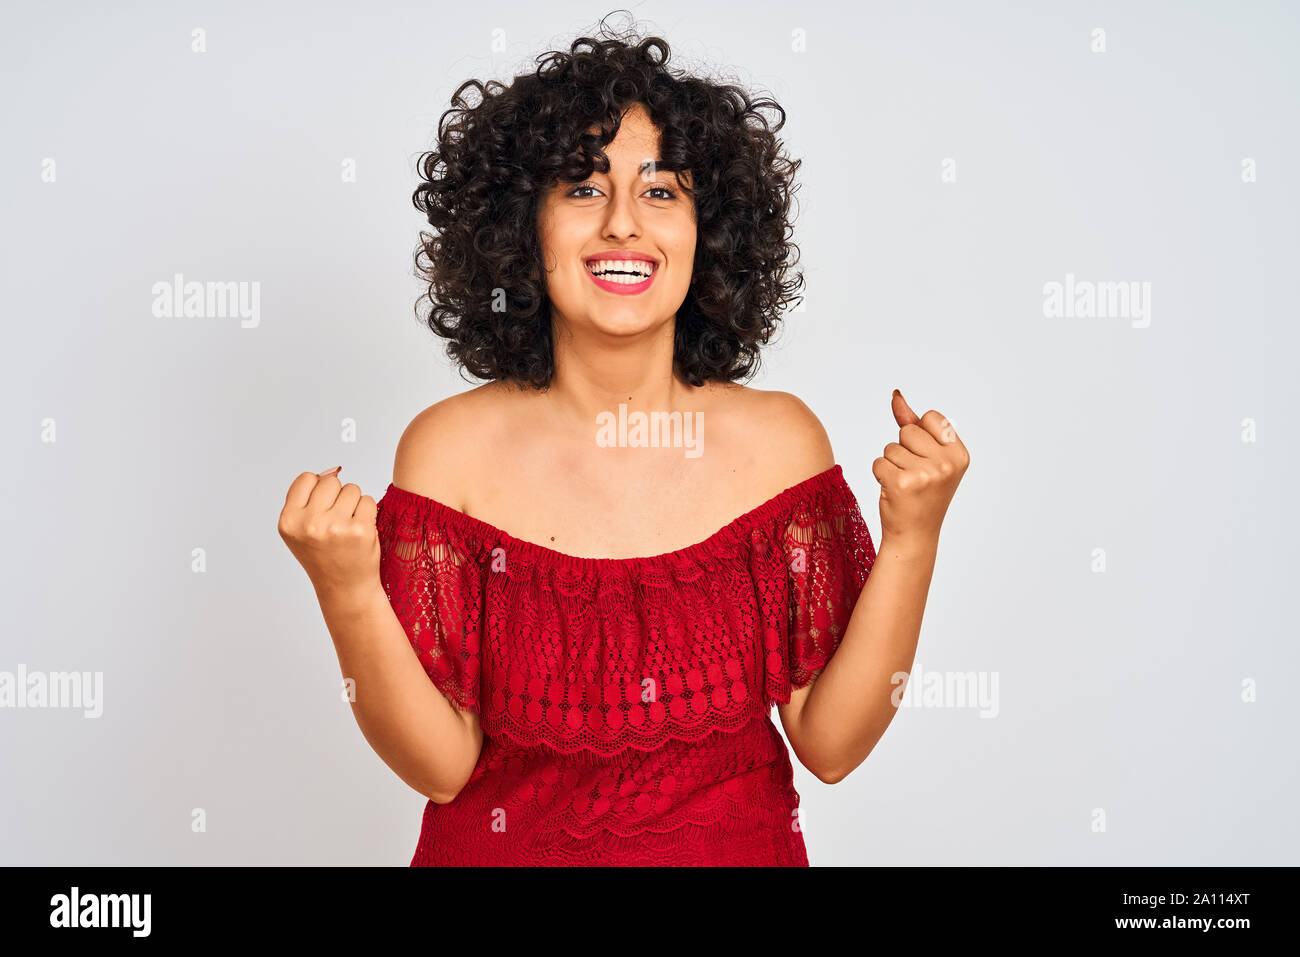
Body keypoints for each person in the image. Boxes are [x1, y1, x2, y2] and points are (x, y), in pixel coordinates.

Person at [278, 21, 969, 866]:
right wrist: (346, 590)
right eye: (580, 188)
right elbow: (443, 767)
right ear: (522, 227)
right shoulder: (446, 453)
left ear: (708, 231)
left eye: (661, 192)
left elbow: (831, 744)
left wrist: (913, 537)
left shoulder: (783, 444)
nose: (621, 225)